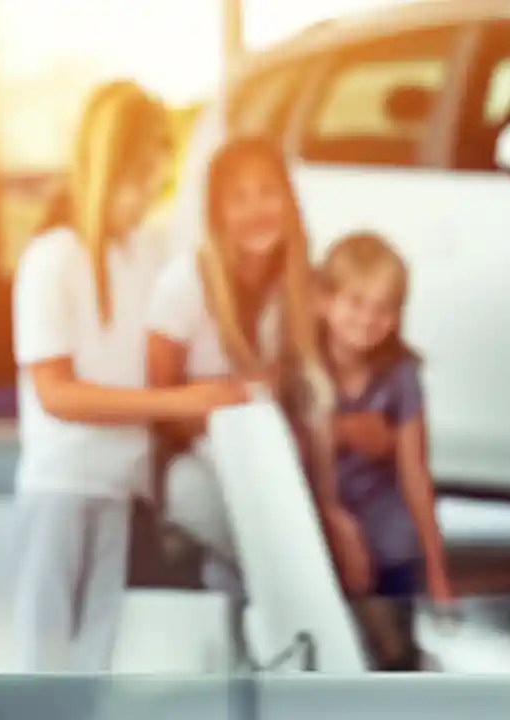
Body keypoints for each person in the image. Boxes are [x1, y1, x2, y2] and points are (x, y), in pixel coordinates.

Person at [11, 80, 250, 672]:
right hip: (61, 488)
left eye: (156, 181)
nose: (147, 196)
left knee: (100, 658)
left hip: (124, 489)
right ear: (104, 167)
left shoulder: (148, 253)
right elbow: (56, 395)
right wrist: (179, 402)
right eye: (138, 180)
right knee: (45, 661)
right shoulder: (51, 258)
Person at [145, 136, 370, 599]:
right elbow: (160, 411)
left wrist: (329, 509)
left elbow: (309, 408)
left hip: (271, 464)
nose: (257, 210)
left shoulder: (297, 287)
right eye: (239, 199)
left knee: (301, 553)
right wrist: (231, 401)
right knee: (268, 563)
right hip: (202, 467)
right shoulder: (184, 284)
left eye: (268, 192)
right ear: (217, 213)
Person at [315, 231, 455, 669]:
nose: (368, 319)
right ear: (325, 301)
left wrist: (437, 569)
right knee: (336, 652)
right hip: (322, 529)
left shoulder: (401, 375)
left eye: (384, 308)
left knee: (393, 654)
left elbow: (415, 472)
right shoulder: (304, 368)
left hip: (389, 539)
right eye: (355, 302)